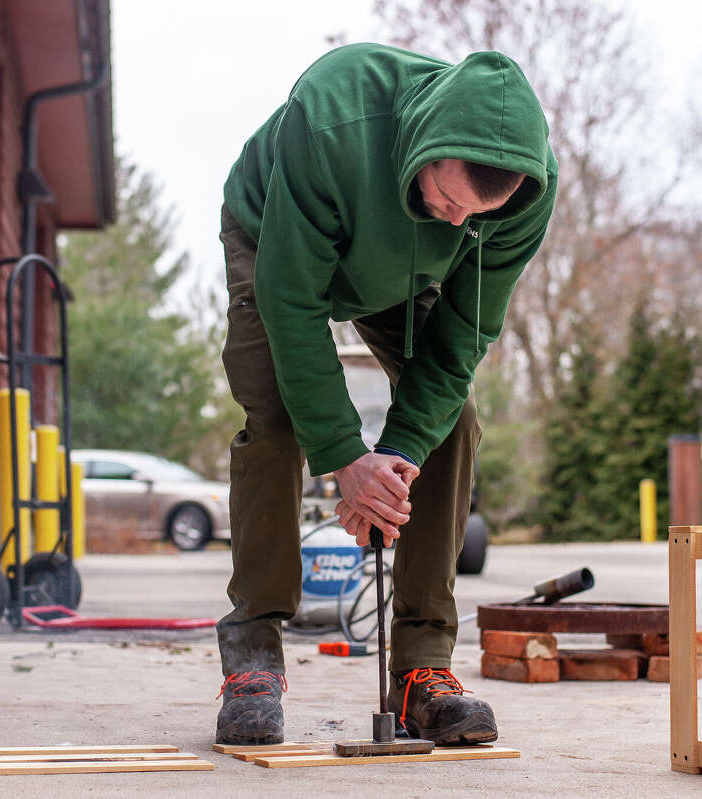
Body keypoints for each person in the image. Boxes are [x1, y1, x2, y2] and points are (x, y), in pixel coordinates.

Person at [214, 42, 557, 746]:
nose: (461, 222)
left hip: (401, 274)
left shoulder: (521, 194)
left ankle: (422, 667)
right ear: (425, 145)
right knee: (277, 417)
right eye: (449, 199)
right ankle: (253, 655)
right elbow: (292, 301)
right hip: (273, 235)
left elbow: (460, 337)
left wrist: (396, 453)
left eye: (475, 216)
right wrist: (345, 458)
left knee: (450, 424)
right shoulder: (333, 112)